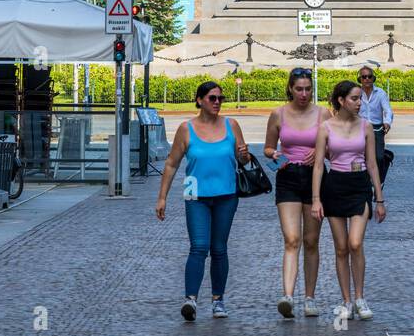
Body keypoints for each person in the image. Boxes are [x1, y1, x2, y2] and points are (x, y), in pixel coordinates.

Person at [157, 81, 250, 321]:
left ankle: (218, 300)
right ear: (199, 100)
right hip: (194, 192)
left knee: (219, 248)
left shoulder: (232, 125)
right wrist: (162, 198)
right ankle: (191, 300)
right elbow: (171, 164)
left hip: (226, 193)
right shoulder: (186, 129)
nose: (217, 102)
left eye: (220, 98)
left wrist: (244, 155)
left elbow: (244, 160)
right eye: (212, 98)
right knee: (198, 246)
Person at [311, 80, 386, 321]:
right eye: (354, 98)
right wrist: (316, 199)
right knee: (341, 248)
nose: (359, 103)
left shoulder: (366, 126)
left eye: (360, 99)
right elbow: (319, 165)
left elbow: (373, 163)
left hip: (359, 186)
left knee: (355, 243)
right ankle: (346, 300)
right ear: (341, 101)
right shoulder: (326, 127)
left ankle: (360, 297)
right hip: (335, 186)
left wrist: (379, 199)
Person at [263, 67, 330, 318]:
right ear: (290, 89)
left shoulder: (323, 113)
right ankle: (288, 296)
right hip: (288, 177)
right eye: (299, 89)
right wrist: (274, 154)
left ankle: (310, 298)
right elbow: (268, 148)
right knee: (292, 239)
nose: (304, 94)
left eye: (308, 89)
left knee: (312, 241)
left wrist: (322, 151)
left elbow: (335, 147)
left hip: (315, 180)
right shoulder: (278, 114)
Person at [356, 64, 393, 181]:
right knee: (357, 157)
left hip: (377, 128)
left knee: (379, 157)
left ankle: (379, 180)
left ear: (373, 78)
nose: (367, 79)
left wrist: (387, 123)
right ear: (360, 80)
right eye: (364, 77)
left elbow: (388, 110)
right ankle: (358, 181)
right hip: (359, 128)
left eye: (369, 76)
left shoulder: (380, 93)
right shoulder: (356, 93)